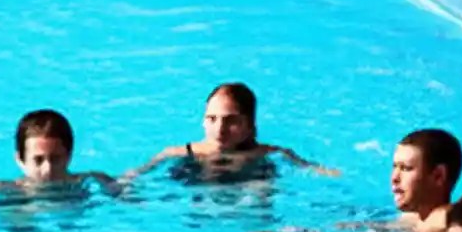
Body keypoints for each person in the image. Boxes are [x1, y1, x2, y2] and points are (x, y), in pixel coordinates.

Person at [124, 82, 338, 183]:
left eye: (231, 121)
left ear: (250, 126)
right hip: (200, 200)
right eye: (212, 119)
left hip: (249, 204)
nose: (220, 128)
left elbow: (310, 169)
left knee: (261, 188)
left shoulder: (268, 153)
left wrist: (329, 173)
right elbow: (138, 173)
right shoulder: (179, 153)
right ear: (203, 122)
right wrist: (126, 182)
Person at [0, 110, 119, 207]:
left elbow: (128, 189)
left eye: (55, 158)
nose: (48, 169)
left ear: (69, 155)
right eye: (38, 160)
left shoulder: (90, 182)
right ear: (20, 160)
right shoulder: (6, 192)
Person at [390, 129, 462, 232]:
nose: (394, 178)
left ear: (438, 176)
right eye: (394, 167)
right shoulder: (416, 216)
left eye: (406, 168)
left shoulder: (437, 229)